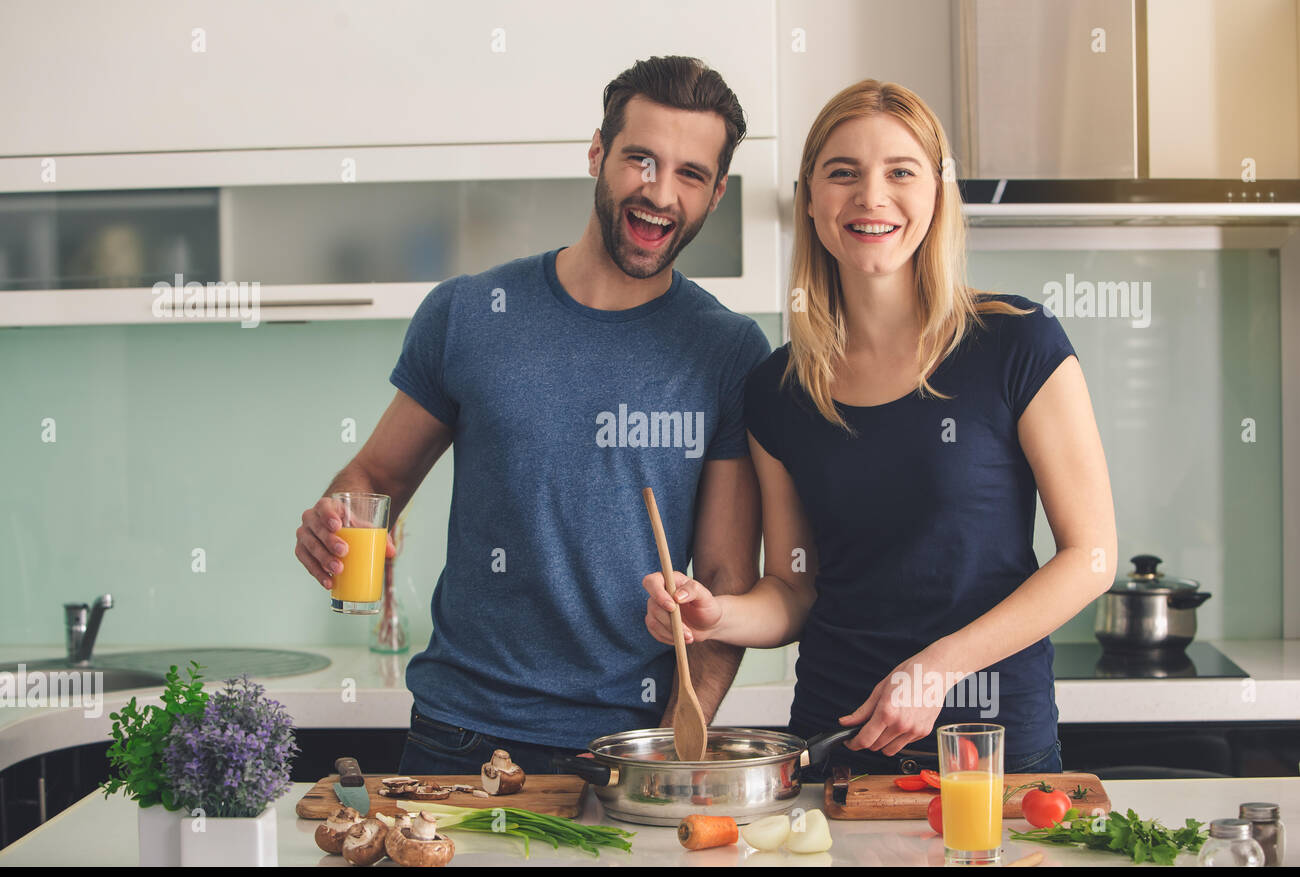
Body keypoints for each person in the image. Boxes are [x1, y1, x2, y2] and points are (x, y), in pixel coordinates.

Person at [293, 56, 771, 775]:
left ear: (716, 192)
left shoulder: (729, 351)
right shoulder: (467, 315)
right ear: (596, 154)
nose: (659, 193)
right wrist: (336, 522)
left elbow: (728, 582)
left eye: (690, 174)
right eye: (639, 158)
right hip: (456, 739)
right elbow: (374, 478)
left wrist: (673, 746)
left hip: (624, 754)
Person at [643, 79, 1117, 778]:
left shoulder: (1019, 345)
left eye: (900, 171)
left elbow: (1092, 558)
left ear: (936, 193)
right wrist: (718, 616)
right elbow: (796, 586)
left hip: (990, 749)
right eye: (843, 173)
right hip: (837, 744)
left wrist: (937, 667)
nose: (871, 197)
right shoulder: (779, 388)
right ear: (810, 197)